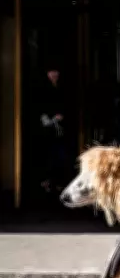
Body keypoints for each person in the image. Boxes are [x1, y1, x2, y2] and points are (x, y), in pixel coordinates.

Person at [40, 63, 67, 195]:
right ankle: (48, 181)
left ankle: (56, 181)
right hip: (48, 128)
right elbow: (41, 107)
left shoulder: (62, 87)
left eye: (56, 71)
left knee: (60, 155)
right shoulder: (43, 88)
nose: (54, 74)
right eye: (51, 72)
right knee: (50, 155)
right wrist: (52, 117)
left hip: (60, 127)